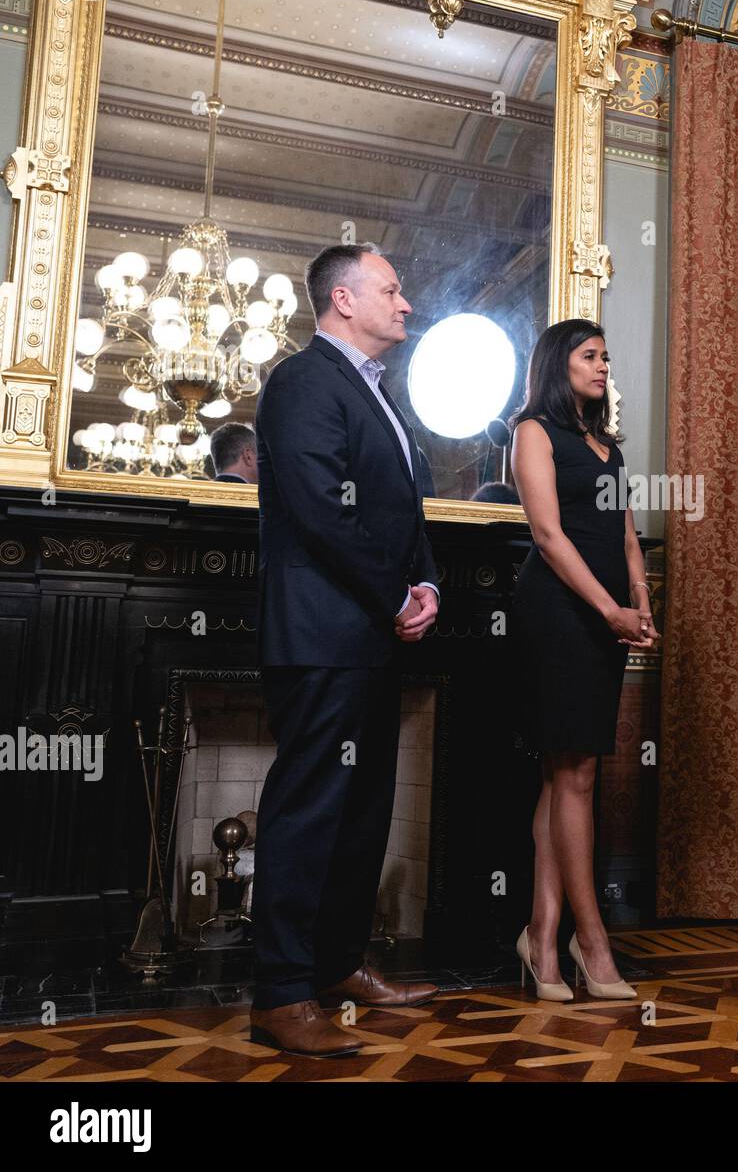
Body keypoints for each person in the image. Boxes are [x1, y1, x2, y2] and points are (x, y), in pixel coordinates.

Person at [250, 243, 441, 1056]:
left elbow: (403, 508)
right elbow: (323, 509)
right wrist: (395, 595)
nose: (405, 305)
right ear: (342, 300)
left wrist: (428, 584)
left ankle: (337, 966)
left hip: (372, 636)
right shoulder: (301, 382)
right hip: (322, 633)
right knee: (310, 810)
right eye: (392, 291)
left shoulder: (379, 395)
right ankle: (281, 993)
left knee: (361, 812)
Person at [509, 319, 658, 1002]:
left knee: (565, 774)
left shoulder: (606, 445)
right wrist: (607, 610)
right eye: (590, 355)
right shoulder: (534, 432)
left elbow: (625, 531)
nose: (603, 366)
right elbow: (546, 533)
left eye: (606, 355)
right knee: (574, 772)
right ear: (557, 363)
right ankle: (590, 940)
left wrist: (641, 598)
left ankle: (541, 934)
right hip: (559, 615)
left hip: (607, 615)